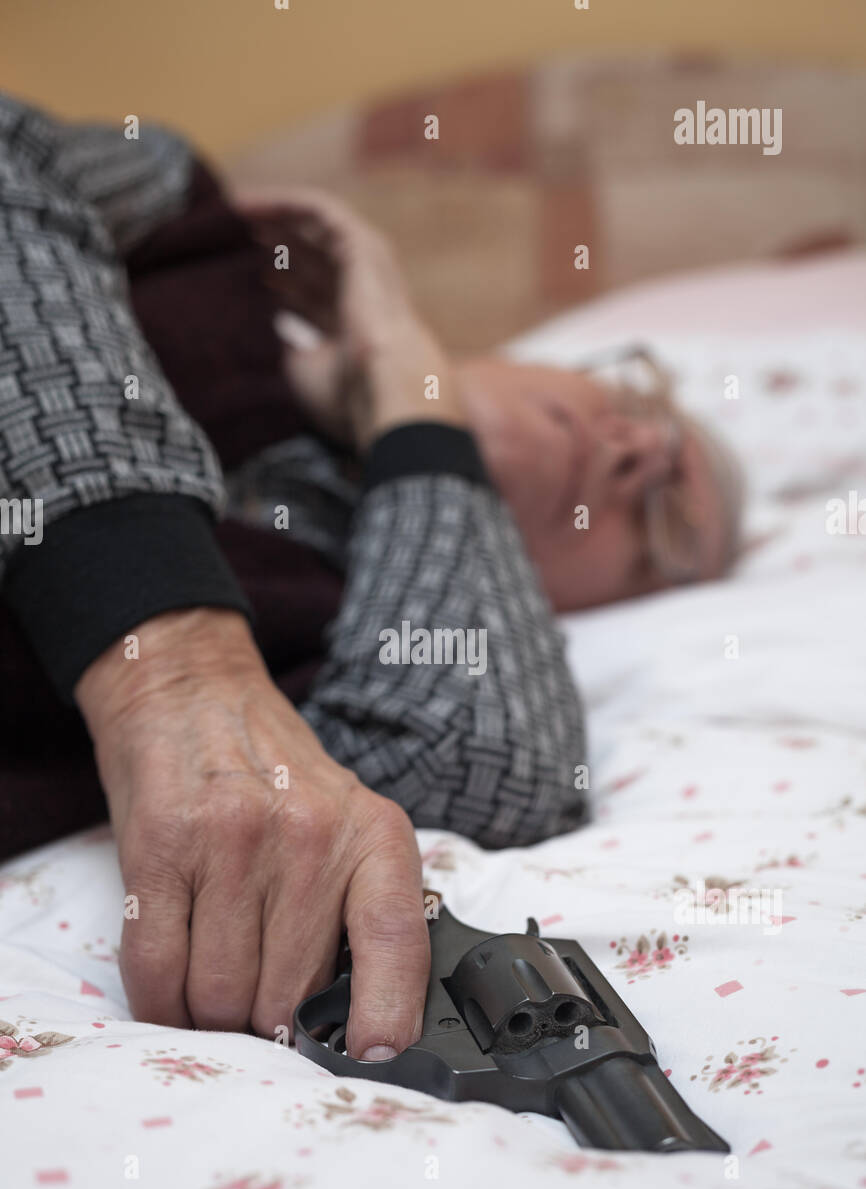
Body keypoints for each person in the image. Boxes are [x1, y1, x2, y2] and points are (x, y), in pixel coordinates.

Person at [0, 96, 741, 1059]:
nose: (642, 447)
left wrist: (414, 403)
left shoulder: (338, 644)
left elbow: (489, 774)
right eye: (636, 396)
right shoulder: (190, 221)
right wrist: (174, 667)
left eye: (665, 528)